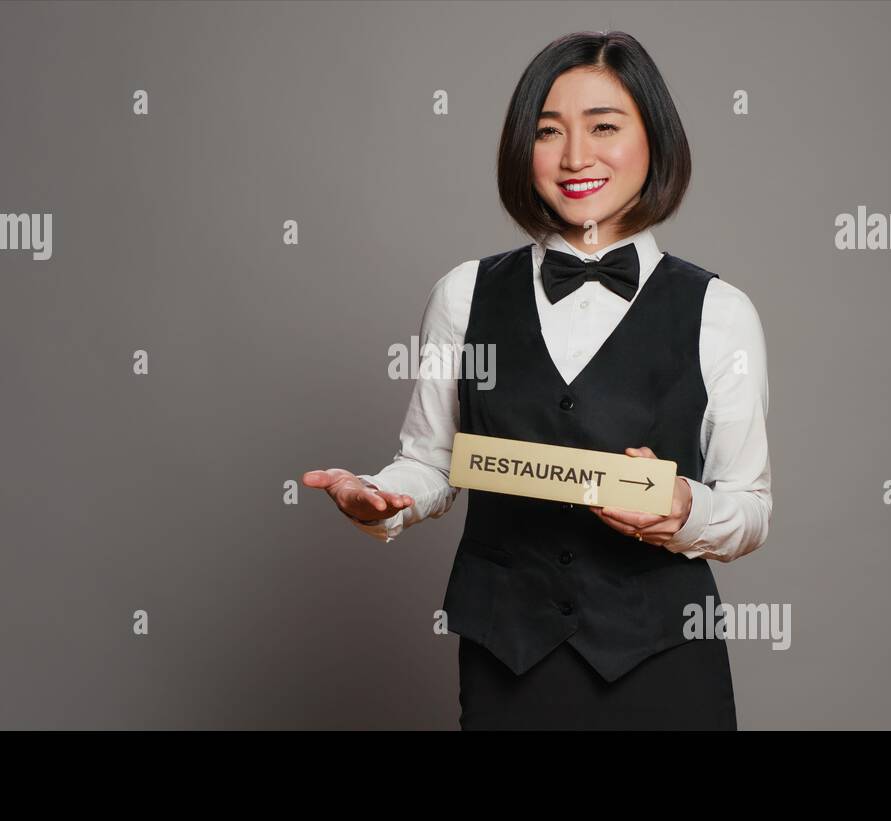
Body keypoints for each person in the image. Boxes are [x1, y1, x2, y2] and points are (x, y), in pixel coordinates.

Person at [303, 30, 771, 730]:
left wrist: (684, 511)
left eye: (604, 127)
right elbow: (431, 461)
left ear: (655, 140)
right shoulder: (464, 294)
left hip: (666, 664)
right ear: (523, 150)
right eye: (549, 132)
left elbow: (750, 507)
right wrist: (383, 499)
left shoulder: (720, 313)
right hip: (507, 660)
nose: (576, 156)